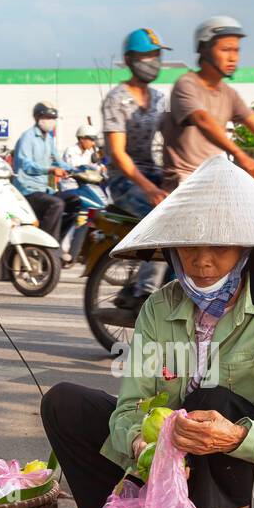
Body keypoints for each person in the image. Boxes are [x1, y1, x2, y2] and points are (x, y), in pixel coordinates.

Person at [41, 155, 254, 508]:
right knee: (66, 402)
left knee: (208, 401)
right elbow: (131, 405)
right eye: (189, 246)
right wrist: (140, 443)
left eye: (218, 246)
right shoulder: (157, 310)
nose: (201, 260)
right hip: (181, 472)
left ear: (248, 251)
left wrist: (237, 436)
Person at [158, 15, 254, 190]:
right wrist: (240, 155)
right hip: (184, 182)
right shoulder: (186, 85)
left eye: (236, 50)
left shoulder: (228, 94)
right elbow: (203, 120)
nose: (233, 57)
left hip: (214, 182)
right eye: (226, 50)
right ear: (204, 50)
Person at [103, 27, 172, 306]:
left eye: (157, 55)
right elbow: (118, 155)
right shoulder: (116, 99)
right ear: (130, 60)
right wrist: (151, 190)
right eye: (147, 55)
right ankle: (144, 291)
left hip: (153, 173)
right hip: (125, 179)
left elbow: (172, 139)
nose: (154, 61)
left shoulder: (158, 98)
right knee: (163, 218)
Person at [11, 101, 69, 239]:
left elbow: (58, 161)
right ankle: (46, 243)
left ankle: (60, 243)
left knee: (75, 201)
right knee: (57, 204)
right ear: (38, 118)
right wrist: (50, 170)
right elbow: (26, 166)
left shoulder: (49, 138)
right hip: (28, 189)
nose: (52, 122)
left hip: (45, 189)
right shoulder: (27, 137)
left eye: (53, 119)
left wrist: (78, 170)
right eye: (48, 118)